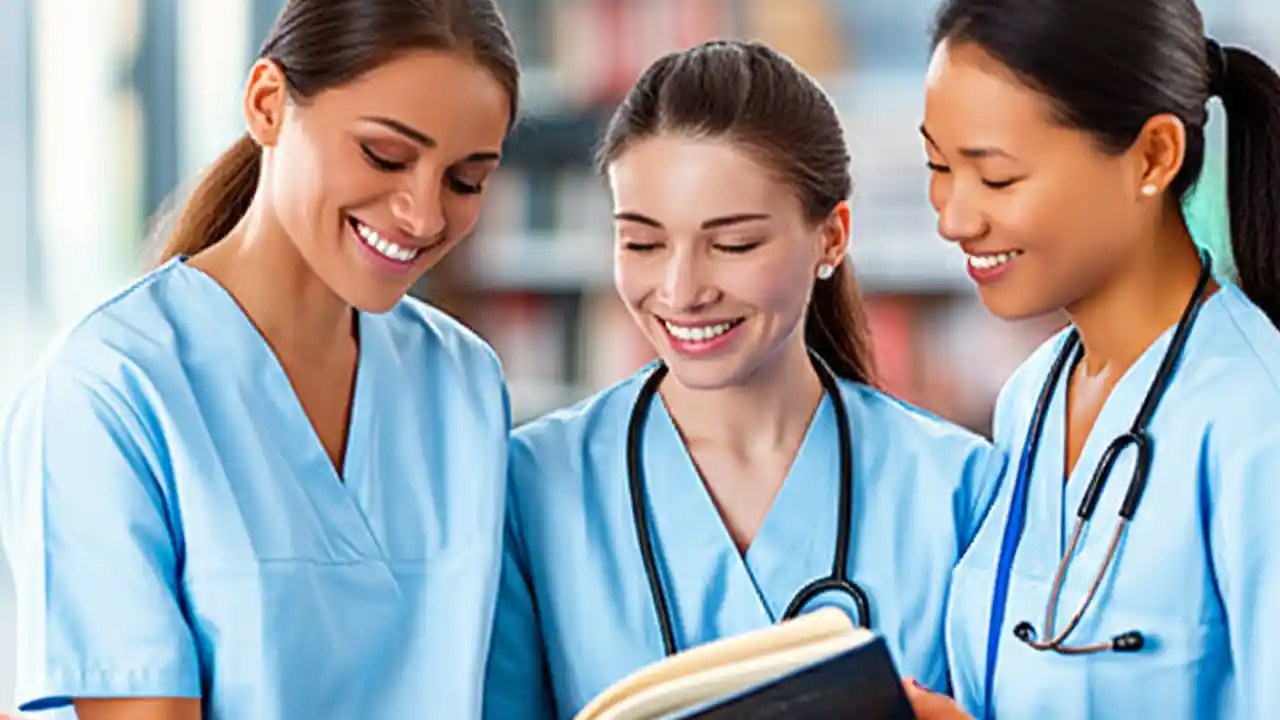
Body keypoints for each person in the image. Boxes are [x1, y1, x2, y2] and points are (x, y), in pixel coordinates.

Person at [0, 1, 519, 718]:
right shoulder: (112, 387)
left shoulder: (462, 380)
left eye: (465, 181)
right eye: (386, 156)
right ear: (268, 104)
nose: (424, 215)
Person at [482, 39, 1006, 720]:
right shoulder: (534, 486)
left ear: (832, 237)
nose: (680, 290)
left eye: (733, 245)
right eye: (641, 242)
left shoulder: (958, 490)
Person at [906, 0, 1280, 717]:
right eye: (939, 166)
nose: (953, 217)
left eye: (996, 178)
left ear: (1153, 157)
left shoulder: (1254, 424)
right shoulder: (1030, 397)